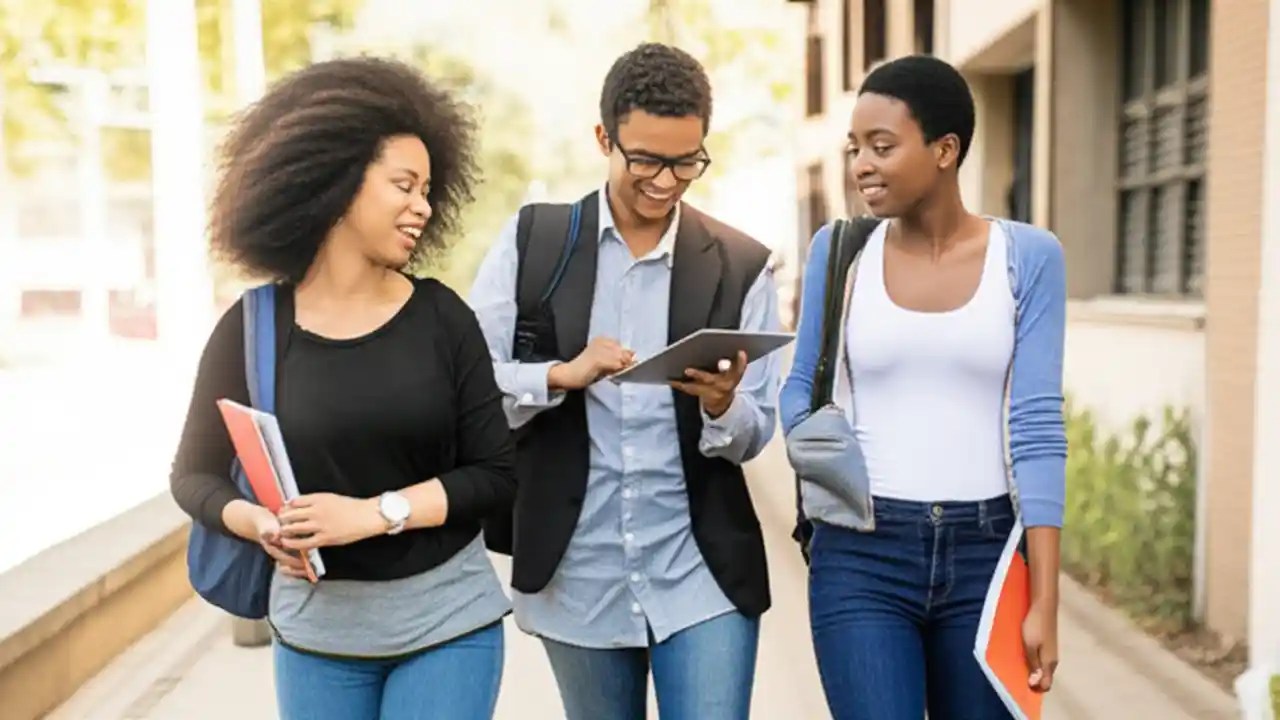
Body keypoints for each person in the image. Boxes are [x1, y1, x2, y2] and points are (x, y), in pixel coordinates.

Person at [168, 56, 515, 720]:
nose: (425, 206)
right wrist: (262, 525)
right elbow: (194, 475)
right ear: (337, 182)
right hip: (314, 634)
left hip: (446, 624)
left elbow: (495, 475)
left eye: (429, 190)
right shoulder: (253, 327)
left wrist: (374, 513)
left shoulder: (443, 318)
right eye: (405, 185)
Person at [468, 42, 781, 720]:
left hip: (703, 571)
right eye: (646, 159)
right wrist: (560, 374)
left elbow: (758, 430)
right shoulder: (534, 242)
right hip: (577, 574)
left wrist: (725, 408)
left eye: (686, 161)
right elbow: (470, 389)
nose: (667, 181)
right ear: (603, 137)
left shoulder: (741, 265)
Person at [780, 54, 1067, 719]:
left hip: (986, 556)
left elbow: (1038, 430)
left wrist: (1046, 602)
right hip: (862, 553)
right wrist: (825, 454)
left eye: (882, 146)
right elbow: (800, 388)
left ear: (945, 149)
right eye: (856, 148)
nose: (861, 166)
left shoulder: (1028, 256)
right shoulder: (840, 250)